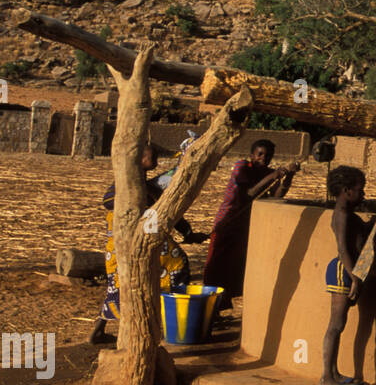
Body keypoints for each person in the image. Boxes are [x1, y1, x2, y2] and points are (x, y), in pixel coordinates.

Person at [90, 144, 206, 344]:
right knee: (177, 264)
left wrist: (189, 233)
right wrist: (139, 196)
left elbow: (168, 211)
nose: (156, 160)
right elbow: (107, 202)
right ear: (138, 158)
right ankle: (171, 318)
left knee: (119, 284)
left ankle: (100, 329)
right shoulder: (127, 183)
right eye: (152, 156)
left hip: (128, 243)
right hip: (127, 241)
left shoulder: (147, 185)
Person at [203, 139, 298, 313]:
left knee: (235, 266)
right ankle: (209, 306)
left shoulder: (268, 172)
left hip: (245, 226)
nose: (263, 158)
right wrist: (274, 176)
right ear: (252, 154)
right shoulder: (242, 167)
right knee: (216, 264)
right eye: (260, 154)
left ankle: (221, 304)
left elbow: (276, 197)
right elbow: (249, 193)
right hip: (227, 222)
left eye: (268, 155)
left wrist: (288, 176)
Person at [317, 166, 368, 385]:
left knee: (340, 325)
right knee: (335, 325)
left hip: (347, 270)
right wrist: (355, 277)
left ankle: (334, 373)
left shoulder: (346, 213)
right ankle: (325, 378)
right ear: (347, 190)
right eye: (360, 190)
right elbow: (343, 248)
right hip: (343, 270)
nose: (364, 194)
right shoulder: (341, 215)